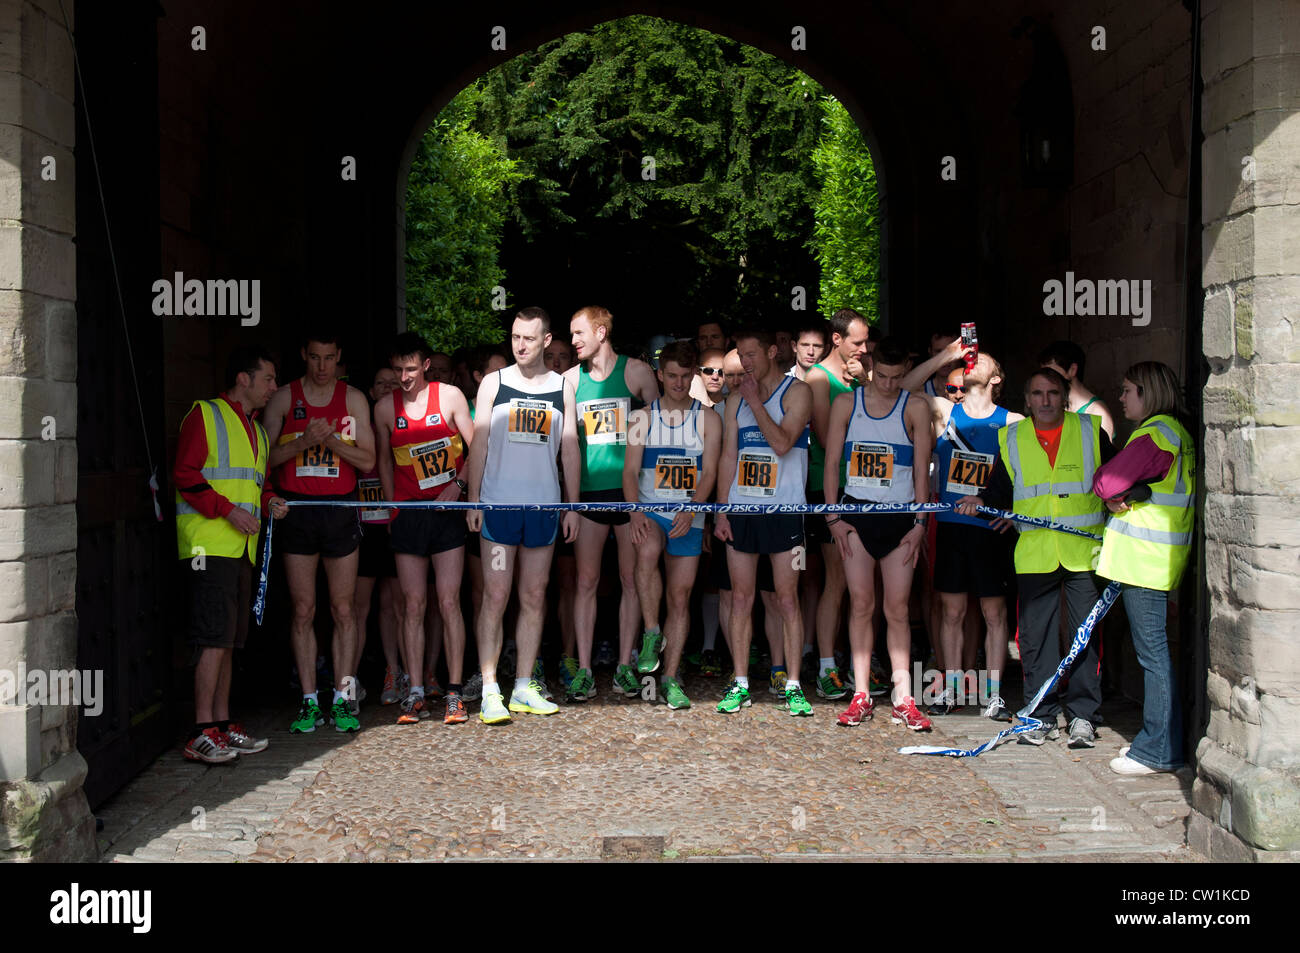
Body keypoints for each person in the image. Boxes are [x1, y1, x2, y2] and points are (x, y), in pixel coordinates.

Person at [956, 367, 1113, 748]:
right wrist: (984, 503)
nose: (1046, 401)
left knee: (1085, 637)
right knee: (1034, 640)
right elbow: (1000, 490)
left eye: (1053, 393)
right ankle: (1040, 714)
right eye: (1038, 394)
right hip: (1034, 554)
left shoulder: (1091, 431)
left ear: (1064, 397)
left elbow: (1116, 478)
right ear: (1026, 401)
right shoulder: (1010, 437)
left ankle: (1082, 717)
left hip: (1083, 553)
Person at [464, 307, 581, 723]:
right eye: (515, 336)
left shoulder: (561, 387)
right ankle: (490, 686)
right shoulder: (493, 383)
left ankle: (523, 685)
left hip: (544, 508)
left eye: (529, 338)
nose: (520, 345)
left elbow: (570, 447)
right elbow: (478, 444)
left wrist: (571, 506)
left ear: (547, 341)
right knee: (495, 596)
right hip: (498, 507)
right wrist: (475, 498)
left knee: (534, 595)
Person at [262, 331, 375, 734]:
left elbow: (368, 459)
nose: (323, 367)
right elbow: (264, 459)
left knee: (343, 609)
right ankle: (309, 700)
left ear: (338, 356)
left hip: (340, 510)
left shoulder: (354, 399)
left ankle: (344, 698)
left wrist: (332, 443)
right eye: (315, 358)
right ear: (304, 357)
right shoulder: (283, 398)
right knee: (303, 609)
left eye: (329, 358)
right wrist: (302, 442)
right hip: (297, 508)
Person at [176, 346, 284, 763]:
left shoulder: (256, 430)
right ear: (244, 379)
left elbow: (258, 484)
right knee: (212, 639)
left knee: (230, 641)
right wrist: (229, 511)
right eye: (269, 379)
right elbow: (185, 475)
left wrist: (270, 501)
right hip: (209, 544)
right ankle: (201, 731)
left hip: (242, 547)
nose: (274, 388)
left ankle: (221, 724)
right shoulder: (204, 414)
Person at [823, 337, 934, 730]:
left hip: (901, 518)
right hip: (855, 516)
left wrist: (920, 523)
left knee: (898, 608)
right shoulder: (846, 404)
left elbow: (922, 469)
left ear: (905, 371)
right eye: (882, 377)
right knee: (861, 604)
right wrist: (834, 517)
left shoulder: (916, 406)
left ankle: (904, 696)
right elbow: (832, 460)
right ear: (871, 369)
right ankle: (861, 692)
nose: (888, 384)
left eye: (896, 377)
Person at [1093, 362, 1195, 775]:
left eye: (1127, 390)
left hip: (1144, 561)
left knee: (1152, 656)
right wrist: (1137, 489)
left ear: (1147, 393)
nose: (1120, 398)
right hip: (1156, 559)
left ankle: (1157, 750)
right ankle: (1159, 745)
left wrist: (1119, 490)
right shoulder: (1176, 433)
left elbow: (1105, 482)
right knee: (1155, 653)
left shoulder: (1155, 432)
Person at [374, 332, 474, 725]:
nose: (404, 376)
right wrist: (390, 506)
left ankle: (452, 691)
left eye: (411, 368)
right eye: (398, 369)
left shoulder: (449, 396)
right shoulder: (384, 408)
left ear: (426, 365)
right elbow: (383, 461)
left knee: (449, 602)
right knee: (412, 605)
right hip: (408, 513)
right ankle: (414, 689)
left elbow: (476, 443)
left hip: (446, 509)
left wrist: (460, 486)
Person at [712, 329, 814, 716]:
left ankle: (792, 684)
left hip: (785, 510)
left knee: (787, 599)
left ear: (772, 351)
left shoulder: (797, 393)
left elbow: (784, 443)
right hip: (742, 510)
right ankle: (739, 683)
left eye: (752, 353)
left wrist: (755, 403)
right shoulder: (736, 398)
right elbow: (727, 457)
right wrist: (722, 509)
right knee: (741, 598)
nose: (747, 361)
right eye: (742, 354)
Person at [564, 306, 660, 700]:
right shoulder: (570, 380)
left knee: (630, 581)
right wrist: (569, 503)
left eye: (578, 333)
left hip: (630, 495)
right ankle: (585, 669)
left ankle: (625, 665)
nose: (573, 342)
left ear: (601, 332)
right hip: (589, 493)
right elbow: (568, 446)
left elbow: (663, 427)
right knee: (586, 582)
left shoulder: (637, 372)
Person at [621, 342, 721, 709]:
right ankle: (651, 631)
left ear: (693, 375)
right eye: (672, 376)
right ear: (660, 375)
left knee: (680, 596)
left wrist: (693, 509)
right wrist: (634, 512)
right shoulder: (639, 418)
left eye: (685, 376)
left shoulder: (709, 418)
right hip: (650, 508)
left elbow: (709, 471)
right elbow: (629, 471)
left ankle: (670, 677)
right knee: (646, 550)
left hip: (688, 515)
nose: (678, 383)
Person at [927, 352, 1022, 720]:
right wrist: (948, 354)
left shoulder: (1013, 421)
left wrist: (1012, 513)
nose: (972, 362)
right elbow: (900, 387)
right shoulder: (943, 412)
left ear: (997, 378)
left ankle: (994, 694)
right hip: (952, 527)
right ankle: (951, 690)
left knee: (994, 613)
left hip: (990, 529)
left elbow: (1025, 475)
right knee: (951, 612)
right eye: (967, 361)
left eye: (982, 361)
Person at [803, 309, 872, 701]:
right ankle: (827, 666)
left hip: (867, 489)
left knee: (864, 585)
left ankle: (860, 661)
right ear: (836, 340)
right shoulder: (817, 378)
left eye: (866, 343)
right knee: (837, 580)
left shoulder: (861, 376)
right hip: (829, 489)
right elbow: (830, 439)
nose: (864, 349)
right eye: (857, 342)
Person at [354, 367, 405, 707]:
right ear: (371, 392)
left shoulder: (404, 428)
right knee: (355, 607)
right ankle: (350, 678)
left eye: (394, 383)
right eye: (381, 383)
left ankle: (394, 670)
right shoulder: (358, 428)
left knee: (395, 606)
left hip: (395, 526)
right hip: (362, 531)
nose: (387, 388)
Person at [1038, 340, 1117, 440]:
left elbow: (1100, 454)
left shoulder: (1097, 412)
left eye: (1050, 372)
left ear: (1072, 370)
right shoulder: (1057, 408)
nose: (1044, 379)